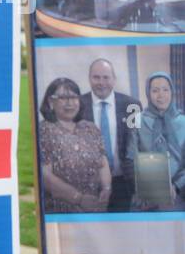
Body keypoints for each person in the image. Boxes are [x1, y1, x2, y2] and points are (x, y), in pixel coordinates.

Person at [39, 76, 110, 213]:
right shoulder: (44, 130)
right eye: (63, 98)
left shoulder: (90, 128)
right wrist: (79, 198)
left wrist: (107, 189)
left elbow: (103, 162)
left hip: (96, 207)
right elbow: (44, 175)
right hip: (62, 210)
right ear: (50, 102)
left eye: (74, 97)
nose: (70, 103)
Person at [78, 59, 135, 211]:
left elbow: (137, 144)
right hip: (89, 185)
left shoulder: (132, 106)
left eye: (106, 77)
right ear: (89, 79)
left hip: (123, 182)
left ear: (114, 79)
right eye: (96, 77)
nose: (101, 82)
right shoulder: (77, 106)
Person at [136, 72, 185, 205]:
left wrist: (176, 186)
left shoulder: (183, 122)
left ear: (172, 92)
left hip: (180, 193)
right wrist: (150, 188)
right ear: (148, 93)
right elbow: (131, 158)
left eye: (165, 90)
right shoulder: (137, 120)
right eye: (155, 90)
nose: (161, 95)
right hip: (146, 195)